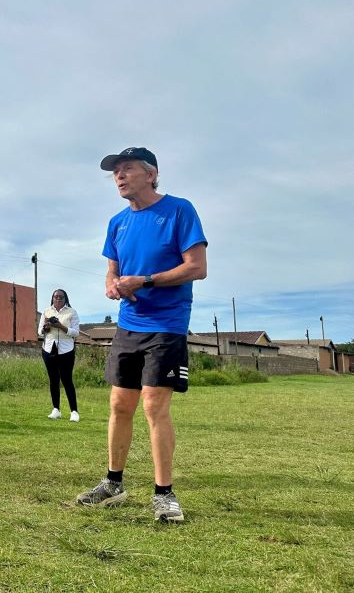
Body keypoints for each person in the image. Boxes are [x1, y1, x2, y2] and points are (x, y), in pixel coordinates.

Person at [76, 147, 207, 523]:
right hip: (128, 324)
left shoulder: (179, 210)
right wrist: (112, 284)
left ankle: (164, 494)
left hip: (167, 324)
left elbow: (197, 267)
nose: (119, 176)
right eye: (115, 171)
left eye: (127, 168)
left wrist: (145, 280)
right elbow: (112, 269)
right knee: (119, 405)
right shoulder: (117, 223)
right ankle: (113, 483)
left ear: (151, 174)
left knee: (153, 405)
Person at [39, 289, 81, 422]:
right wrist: (46, 327)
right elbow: (40, 331)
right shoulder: (46, 311)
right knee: (53, 380)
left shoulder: (72, 312)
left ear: (65, 298)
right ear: (52, 298)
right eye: (55, 296)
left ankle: (74, 412)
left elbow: (76, 332)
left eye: (61, 297)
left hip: (66, 350)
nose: (58, 299)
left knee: (67, 379)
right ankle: (56, 410)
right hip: (48, 348)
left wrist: (61, 326)